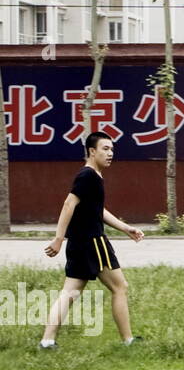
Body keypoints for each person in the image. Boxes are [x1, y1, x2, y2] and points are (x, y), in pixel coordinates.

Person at [41, 132, 144, 348]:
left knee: (69, 292)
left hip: (79, 243)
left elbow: (98, 211)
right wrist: (58, 239)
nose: (110, 154)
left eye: (112, 150)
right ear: (92, 151)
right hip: (93, 243)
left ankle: (47, 341)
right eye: (105, 149)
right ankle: (128, 340)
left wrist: (126, 228)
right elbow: (68, 204)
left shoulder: (93, 176)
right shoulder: (87, 176)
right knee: (120, 287)